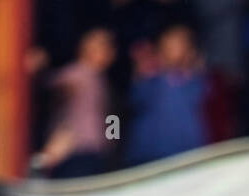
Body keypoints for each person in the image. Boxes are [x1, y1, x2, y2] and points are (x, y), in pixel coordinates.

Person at [35, 28, 117, 179]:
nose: (108, 52)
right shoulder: (75, 74)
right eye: (102, 46)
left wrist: (111, 141)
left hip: (96, 151)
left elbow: (111, 117)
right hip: (75, 150)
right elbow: (52, 87)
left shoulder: (103, 80)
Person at [124, 24, 209, 165]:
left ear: (189, 50)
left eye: (177, 45)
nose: (169, 50)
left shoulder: (195, 79)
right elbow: (136, 100)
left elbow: (200, 96)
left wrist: (191, 68)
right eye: (166, 45)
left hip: (185, 152)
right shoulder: (151, 77)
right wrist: (140, 75)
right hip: (149, 153)